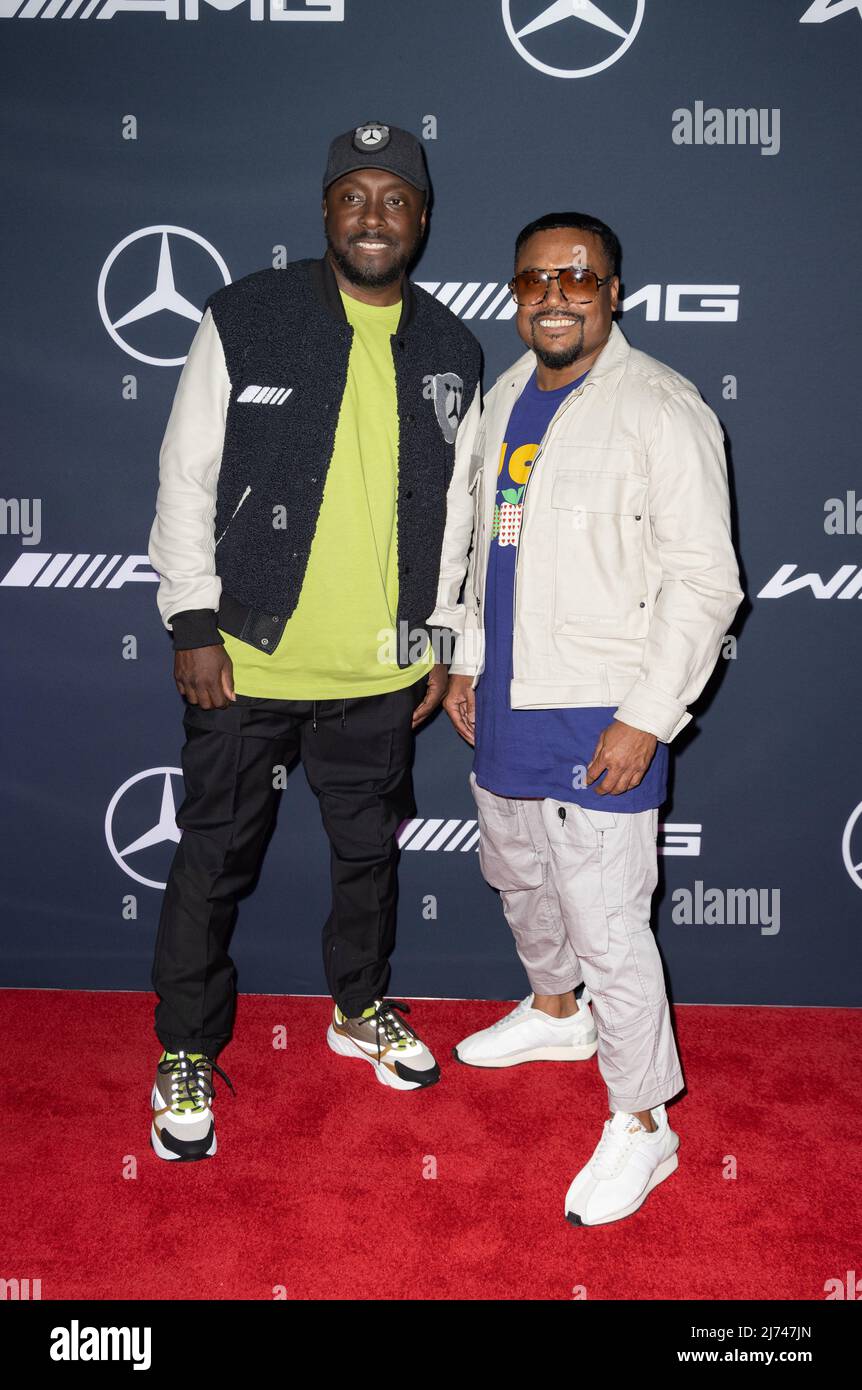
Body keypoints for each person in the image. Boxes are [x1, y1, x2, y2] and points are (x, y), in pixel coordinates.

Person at [146, 121, 482, 1161]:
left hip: (378, 672)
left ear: (422, 219)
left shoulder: (452, 348)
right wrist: (192, 621)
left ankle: (357, 1008)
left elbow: (459, 516)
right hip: (246, 660)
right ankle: (185, 1050)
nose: (372, 216)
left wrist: (435, 642)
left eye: (393, 198)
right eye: (353, 196)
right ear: (325, 212)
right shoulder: (246, 315)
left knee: (366, 862)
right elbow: (186, 473)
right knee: (212, 861)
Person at [429, 211, 743, 1225]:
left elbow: (706, 583)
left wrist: (647, 715)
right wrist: (470, 661)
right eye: (534, 279)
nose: (554, 294)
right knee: (515, 870)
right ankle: (557, 1014)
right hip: (511, 694)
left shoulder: (661, 406)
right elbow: (486, 549)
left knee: (609, 923)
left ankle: (645, 1125)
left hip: (602, 709)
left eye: (577, 276)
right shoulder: (507, 394)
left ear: (614, 291)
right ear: (513, 294)